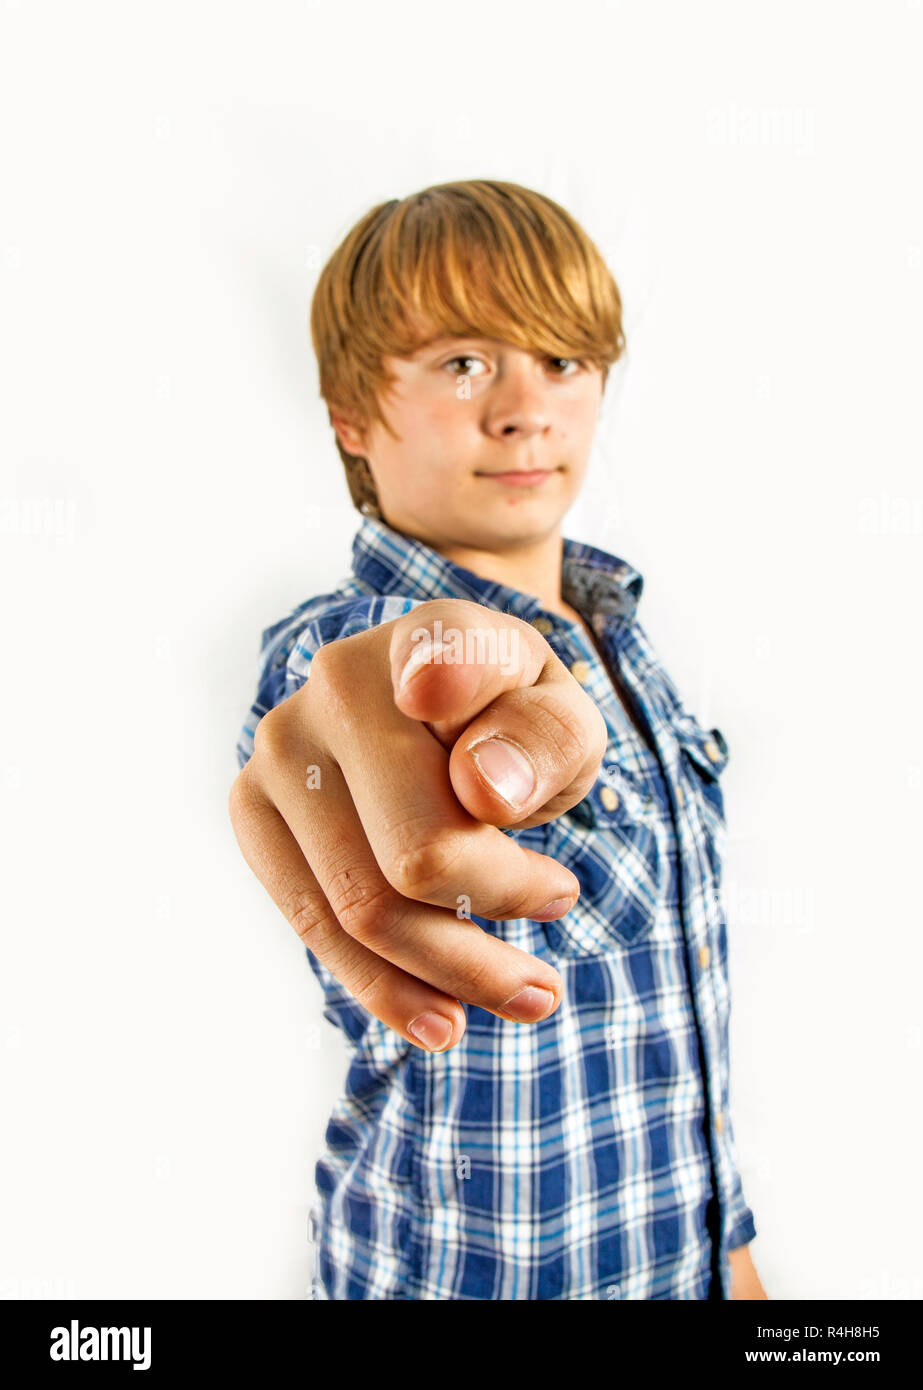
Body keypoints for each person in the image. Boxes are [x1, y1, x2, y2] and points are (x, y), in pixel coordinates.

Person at [229, 178, 767, 1301]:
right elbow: (335, 699)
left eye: (562, 361)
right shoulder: (350, 649)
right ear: (350, 416)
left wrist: (739, 1260)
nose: (527, 407)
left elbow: (674, 1014)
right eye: (465, 362)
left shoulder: (618, 624)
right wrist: (395, 696)